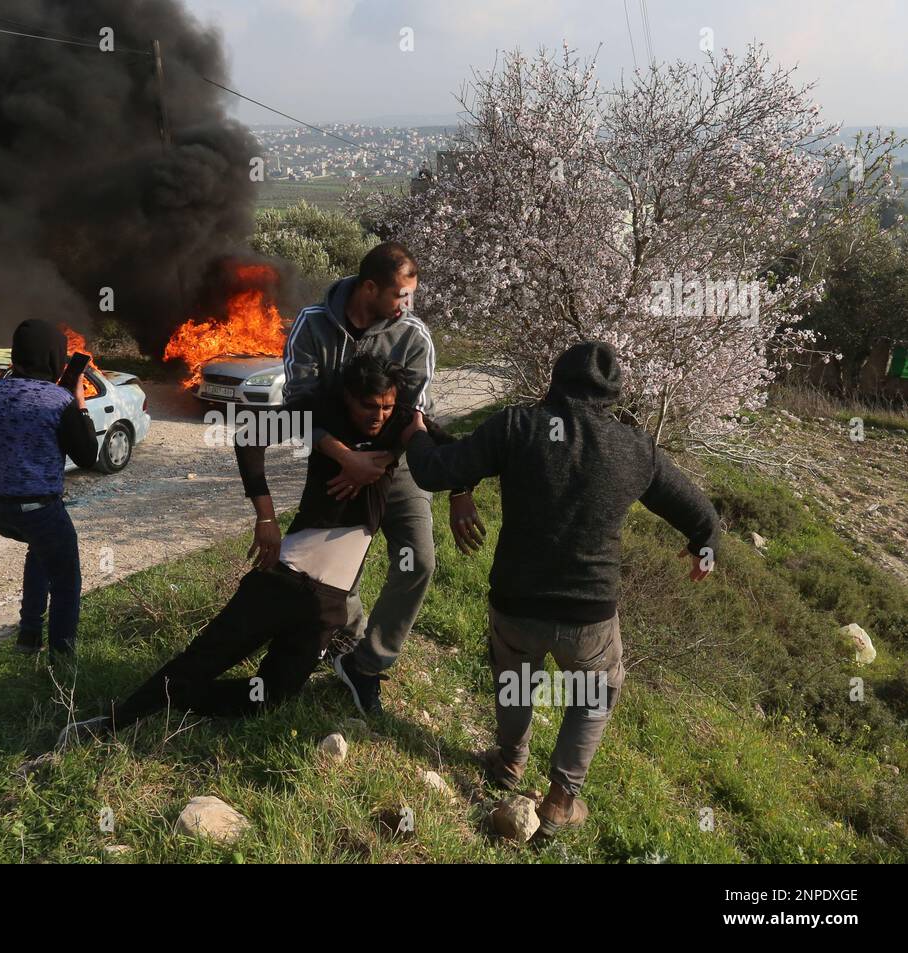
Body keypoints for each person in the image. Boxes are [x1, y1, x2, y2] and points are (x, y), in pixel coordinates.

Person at [401, 340, 721, 837]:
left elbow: (435, 469)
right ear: (614, 396)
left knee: (516, 680)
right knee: (594, 693)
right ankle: (560, 799)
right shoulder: (636, 450)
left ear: (553, 380)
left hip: (516, 601)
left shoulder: (516, 427)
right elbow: (699, 512)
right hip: (588, 614)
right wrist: (705, 544)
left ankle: (509, 763)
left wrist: (416, 432)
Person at [60, 355, 469, 745]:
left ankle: (178, 700)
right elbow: (248, 437)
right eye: (368, 406)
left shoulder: (399, 421)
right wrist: (266, 517)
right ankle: (112, 722)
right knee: (201, 660)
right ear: (347, 397)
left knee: (270, 697)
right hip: (284, 579)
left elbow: (451, 452)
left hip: (328, 607)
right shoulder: (321, 412)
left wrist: (460, 493)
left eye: (386, 406)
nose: (377, 416)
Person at [282, 241, 480, 716]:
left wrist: (378, 463)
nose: (408, 306)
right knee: (332, 566)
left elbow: (415, 416)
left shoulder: (413, 337)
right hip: (334, 466)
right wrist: (346, 458)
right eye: (400, 296)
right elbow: (296, 408)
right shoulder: (312, 326)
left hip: (399, 466)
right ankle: (345, 638)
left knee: (419, 563)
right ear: (369, 288)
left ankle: (367, 664)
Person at [0, 319, 98, 663]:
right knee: (66, 580)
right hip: (39, 511)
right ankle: (62, 663)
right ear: (54, 358)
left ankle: (29, 635)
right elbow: (88, 456)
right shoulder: (60, 400)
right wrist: (79, 401)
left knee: (40, 551)